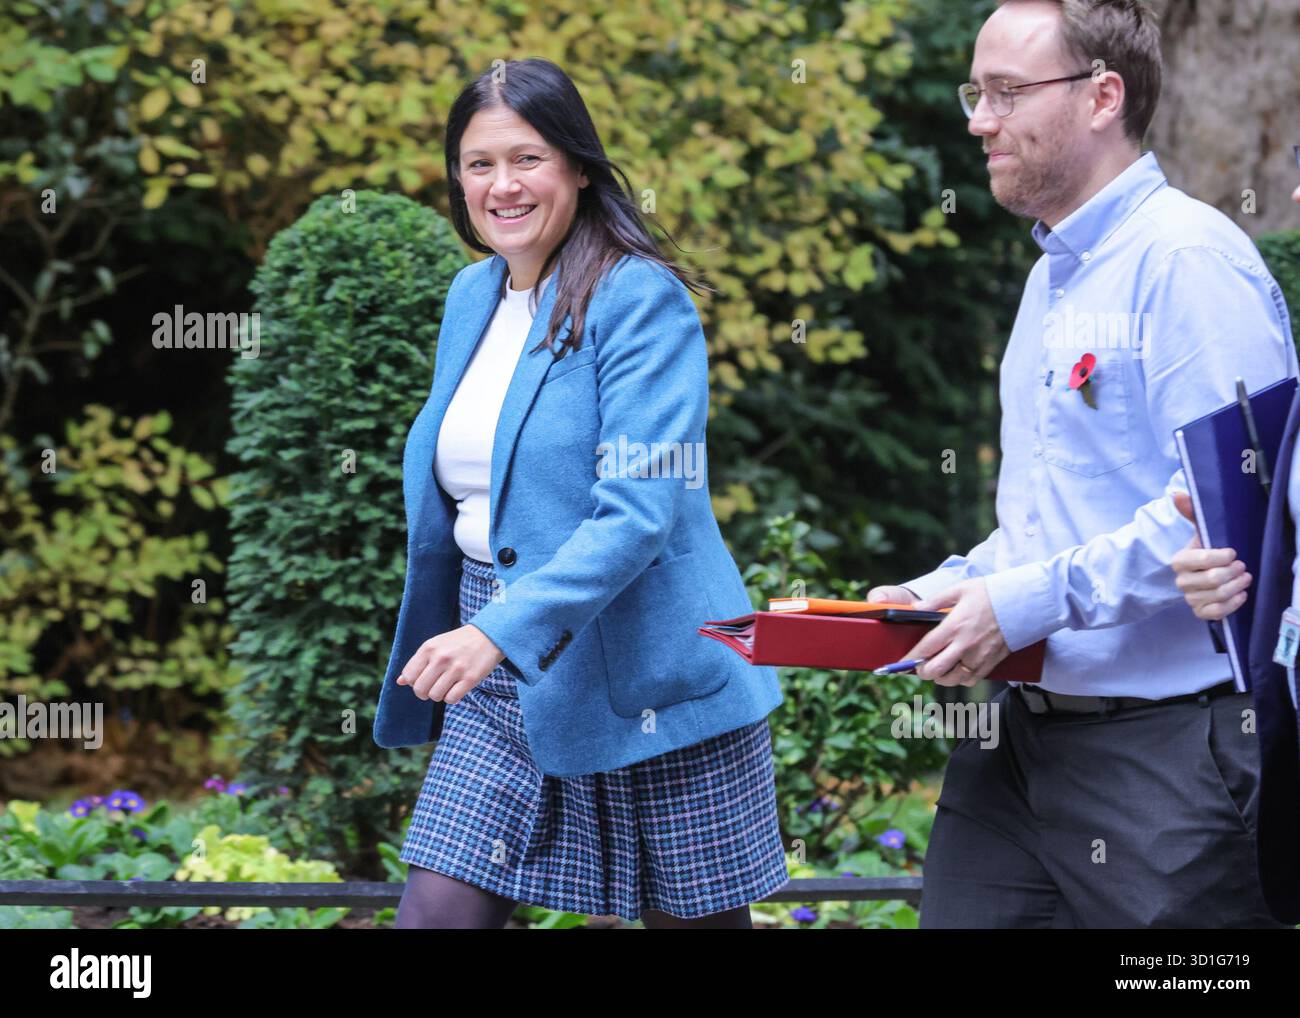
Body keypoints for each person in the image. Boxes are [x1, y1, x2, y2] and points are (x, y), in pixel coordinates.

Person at [866, 0, 1298, 927]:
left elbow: (1225, 508)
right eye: (975, 92)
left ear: (1103, 96)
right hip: (1016, 747)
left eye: (1006, 93)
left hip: (1165, 754)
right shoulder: (1050, 276)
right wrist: (956, 586)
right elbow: (1055, 512)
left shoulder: (1188, 260)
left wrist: (1022, 603)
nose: (978, 119)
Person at [371, 59, 787, 929]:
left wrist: (497, 630)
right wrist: (484, 624)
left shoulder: (639, 299)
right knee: (434, 915)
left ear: (579, 169)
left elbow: (640, 513)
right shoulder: (470, 295)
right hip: (500, 665)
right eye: (480, 163)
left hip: (648, 671)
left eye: (528, 159)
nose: (502, 185)